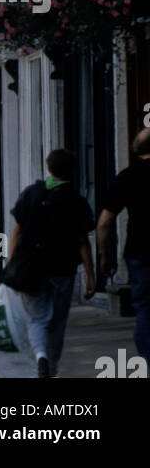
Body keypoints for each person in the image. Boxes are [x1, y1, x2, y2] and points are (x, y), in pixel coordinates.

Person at [9, 148, 95, 378]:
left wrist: (11, 263)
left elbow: (17, 230)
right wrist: (91, 276)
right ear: (72, 170)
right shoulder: (75, 200)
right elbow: (82, 241)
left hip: (31, 269)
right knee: (57, 322)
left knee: (36, 319)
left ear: (49, 167)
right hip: (62, 270)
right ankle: (51, 368)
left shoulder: (31, 194)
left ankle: (40, 357)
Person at [96, 127, 150, 362]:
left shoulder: (127, 177)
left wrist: (104, 255)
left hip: (140, 251)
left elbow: (104, 222)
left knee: (146, 308)